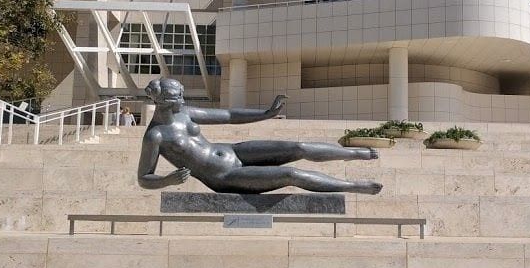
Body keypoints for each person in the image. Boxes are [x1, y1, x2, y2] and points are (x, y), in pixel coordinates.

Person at [137, 77, 383, 194]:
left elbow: (229, 115)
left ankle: (354, 153)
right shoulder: (155, 136)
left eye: (181, 95)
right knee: (291, 174)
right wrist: (168, 180)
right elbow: (144, 178)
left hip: (233, 151)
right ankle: (354, 186)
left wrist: (266, 114)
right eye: (176, 98)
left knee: (298, 147)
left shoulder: (185, 113)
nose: (181, 100)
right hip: (222, 176)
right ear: (161, 101)